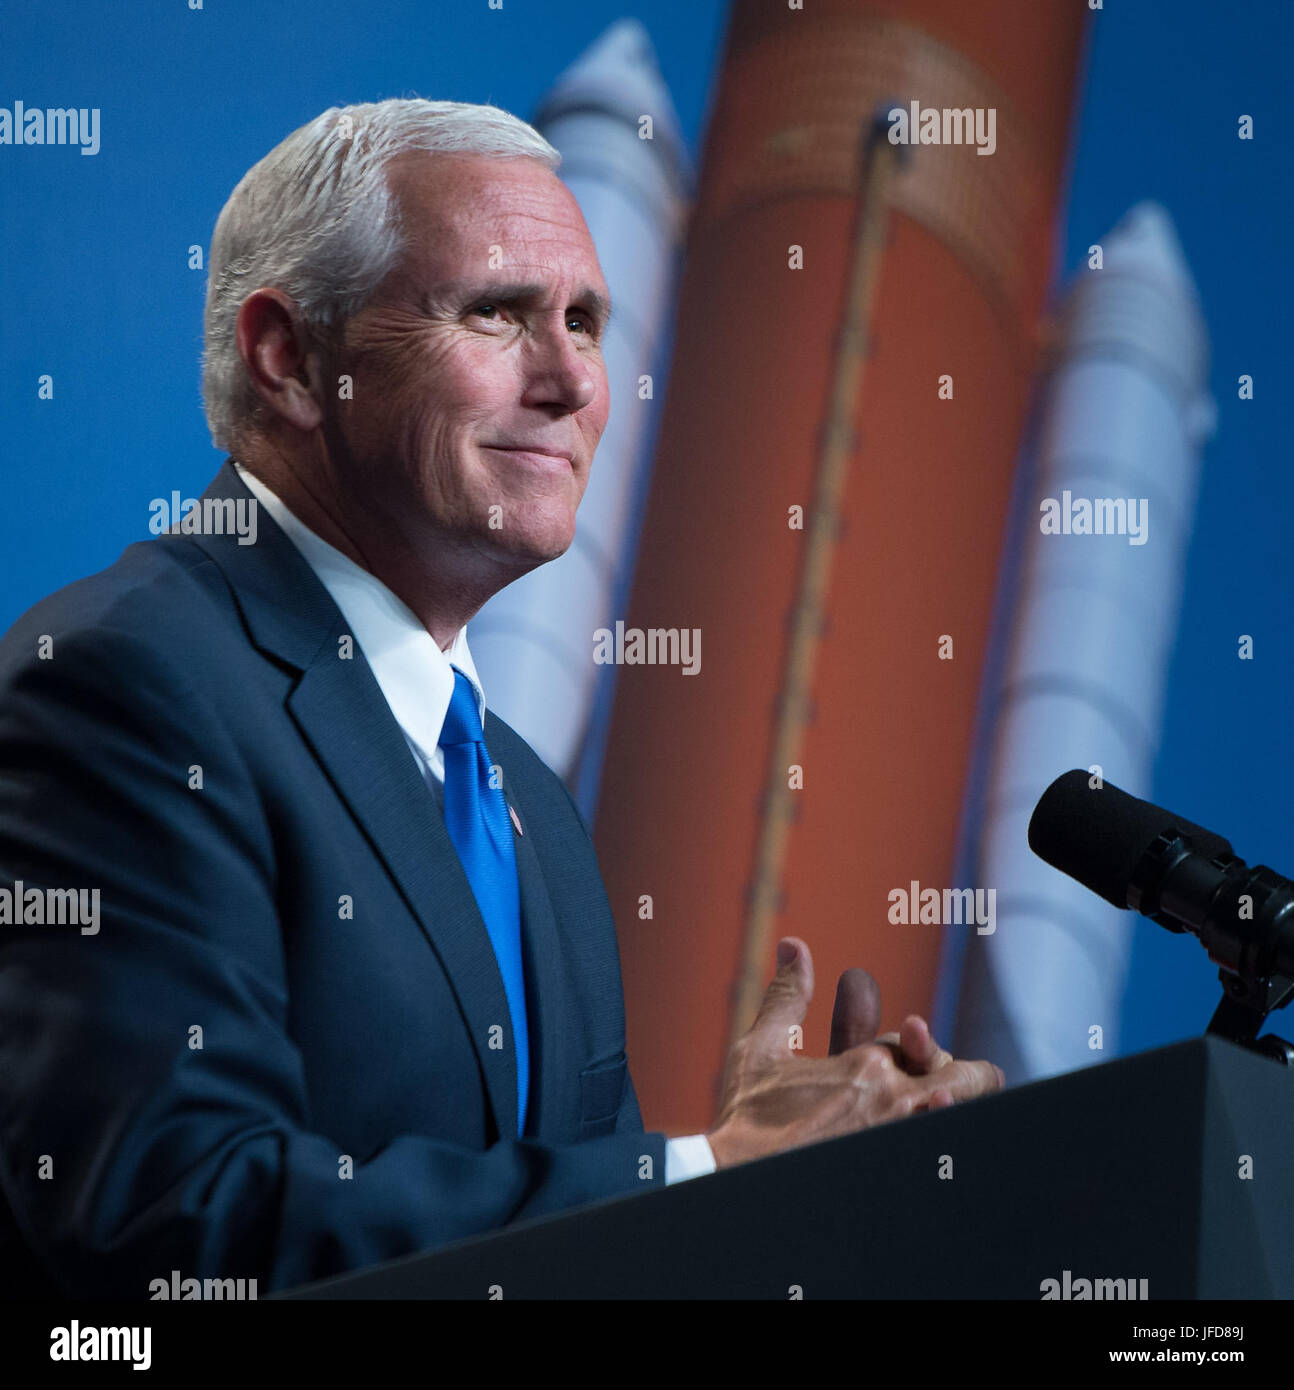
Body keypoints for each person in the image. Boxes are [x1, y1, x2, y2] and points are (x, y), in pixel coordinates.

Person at [0, 99, 1003, 1299]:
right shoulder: (128, 684)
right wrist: (696, 1170)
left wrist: (759, 1199)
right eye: (496, 310)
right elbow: (175, 1222)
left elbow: (567, 1247)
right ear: (291, 359)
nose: (576, 378)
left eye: (586, 319)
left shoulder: (527, 802)